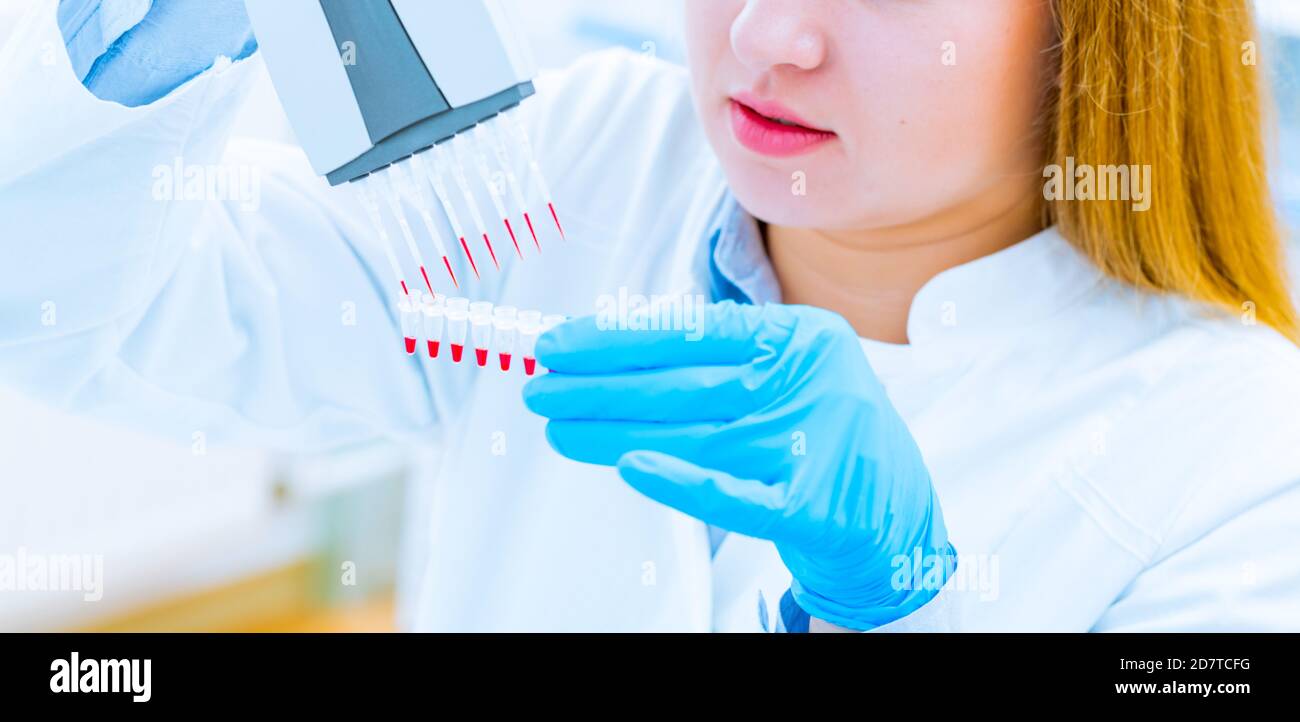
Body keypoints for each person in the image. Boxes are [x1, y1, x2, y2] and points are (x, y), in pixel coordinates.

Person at [2, 0, 1298, 632]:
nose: (770, 33)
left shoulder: (1246, 471)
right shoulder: (574, 164)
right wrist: (127, 59)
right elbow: (105, 316)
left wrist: (899, 611)